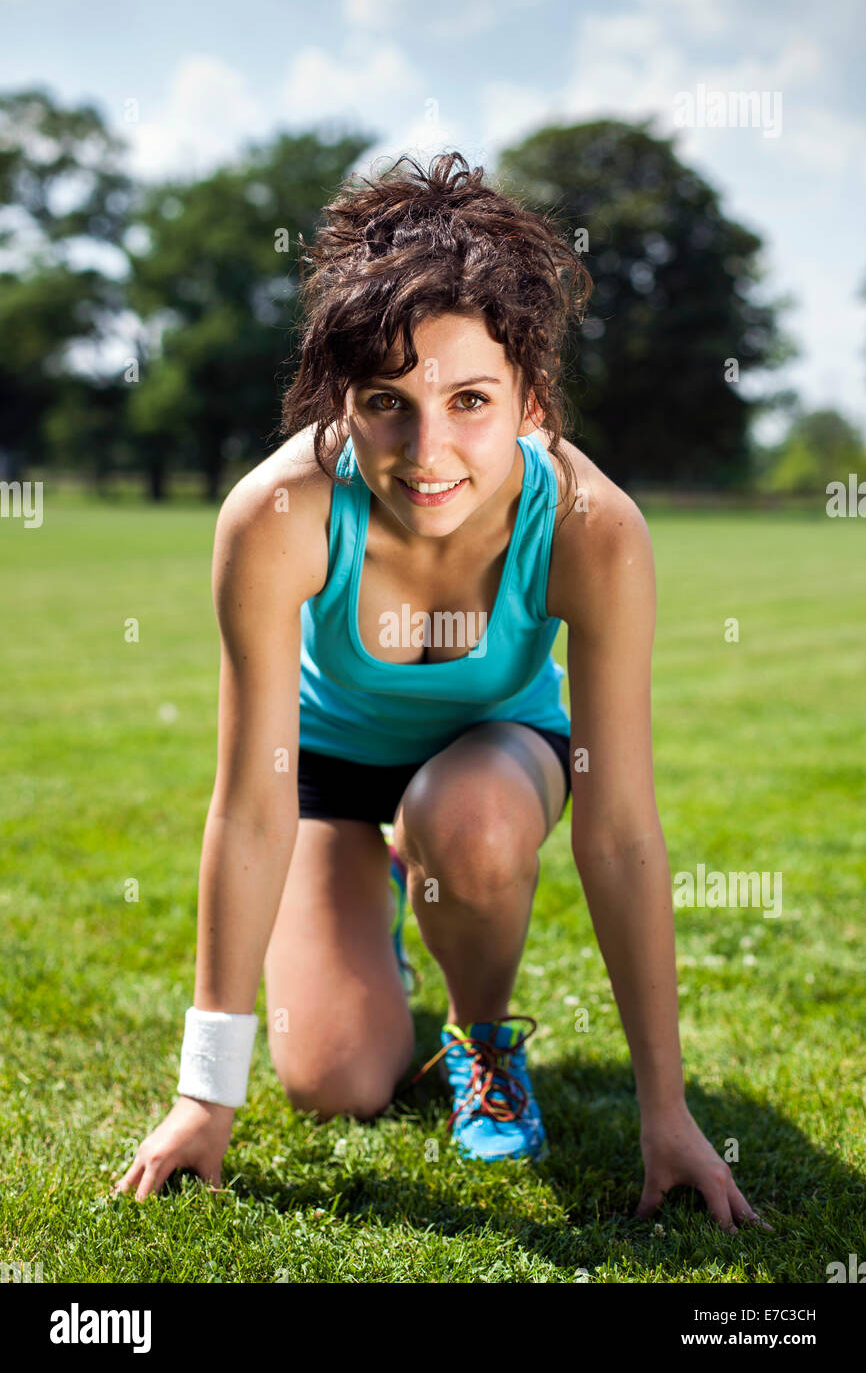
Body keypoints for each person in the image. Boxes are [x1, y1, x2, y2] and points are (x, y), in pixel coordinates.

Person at [113, 151, 768, 1235]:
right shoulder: (275, 515)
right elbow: (248, 804)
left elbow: (617, 830)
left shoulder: (591, 527)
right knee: (335, 1081)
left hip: (495, 756)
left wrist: (667, 1108)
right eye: (386, 404)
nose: (429, 453)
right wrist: (203, 1089)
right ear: (341, 399)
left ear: (530, 399)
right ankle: (380, 885)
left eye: (469, 400)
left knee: (459, 819)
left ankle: (478, 1034)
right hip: (328, 770)